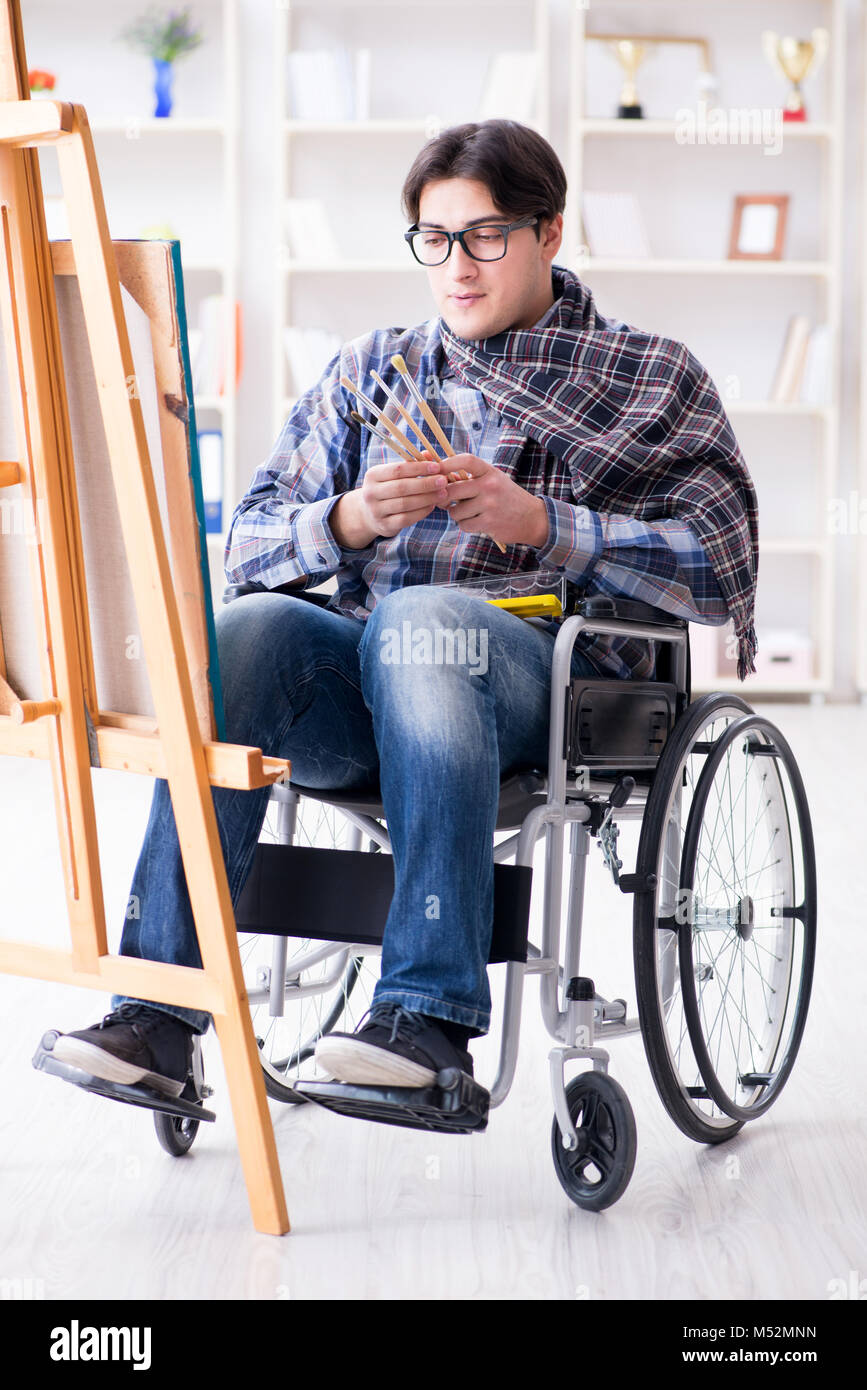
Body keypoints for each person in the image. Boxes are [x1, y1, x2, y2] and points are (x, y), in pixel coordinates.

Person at [44, 119, 757, 1100]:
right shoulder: (373, 369)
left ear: (550, 233)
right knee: (242, 633)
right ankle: (158, 1015)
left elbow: (719, 568)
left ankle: (425, 1023)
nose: (455, 267)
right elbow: (243, 541)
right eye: (434, 237)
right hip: (370, 689)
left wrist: (545, 523)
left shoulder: (649, 376)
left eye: (484, 236)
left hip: (543, 689)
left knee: (424, 621)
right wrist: (342, 519)